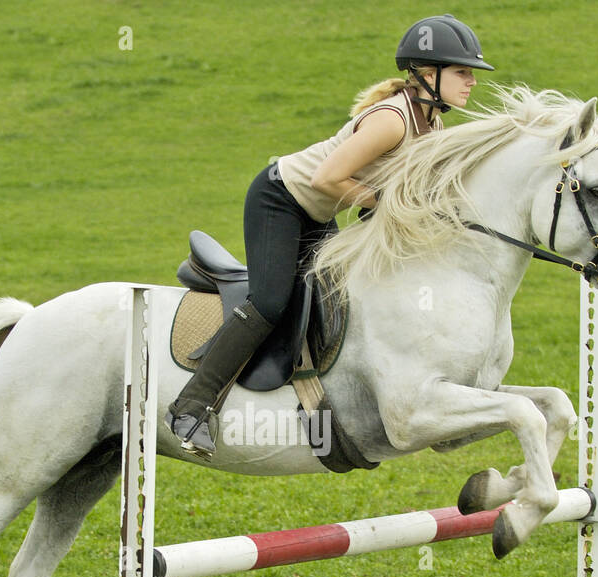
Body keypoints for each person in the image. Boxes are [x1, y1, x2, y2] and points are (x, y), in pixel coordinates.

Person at [166, 14, 495, 459]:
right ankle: (191, 408)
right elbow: (326, 177)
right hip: (280, 199)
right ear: (426, 74)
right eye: (462, 71)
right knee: (270, 302)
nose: (471, 81)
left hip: (318, 209)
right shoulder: (393, 120)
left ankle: (311, 407)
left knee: (332, 297)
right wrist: (385, 203)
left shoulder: (432, 126)